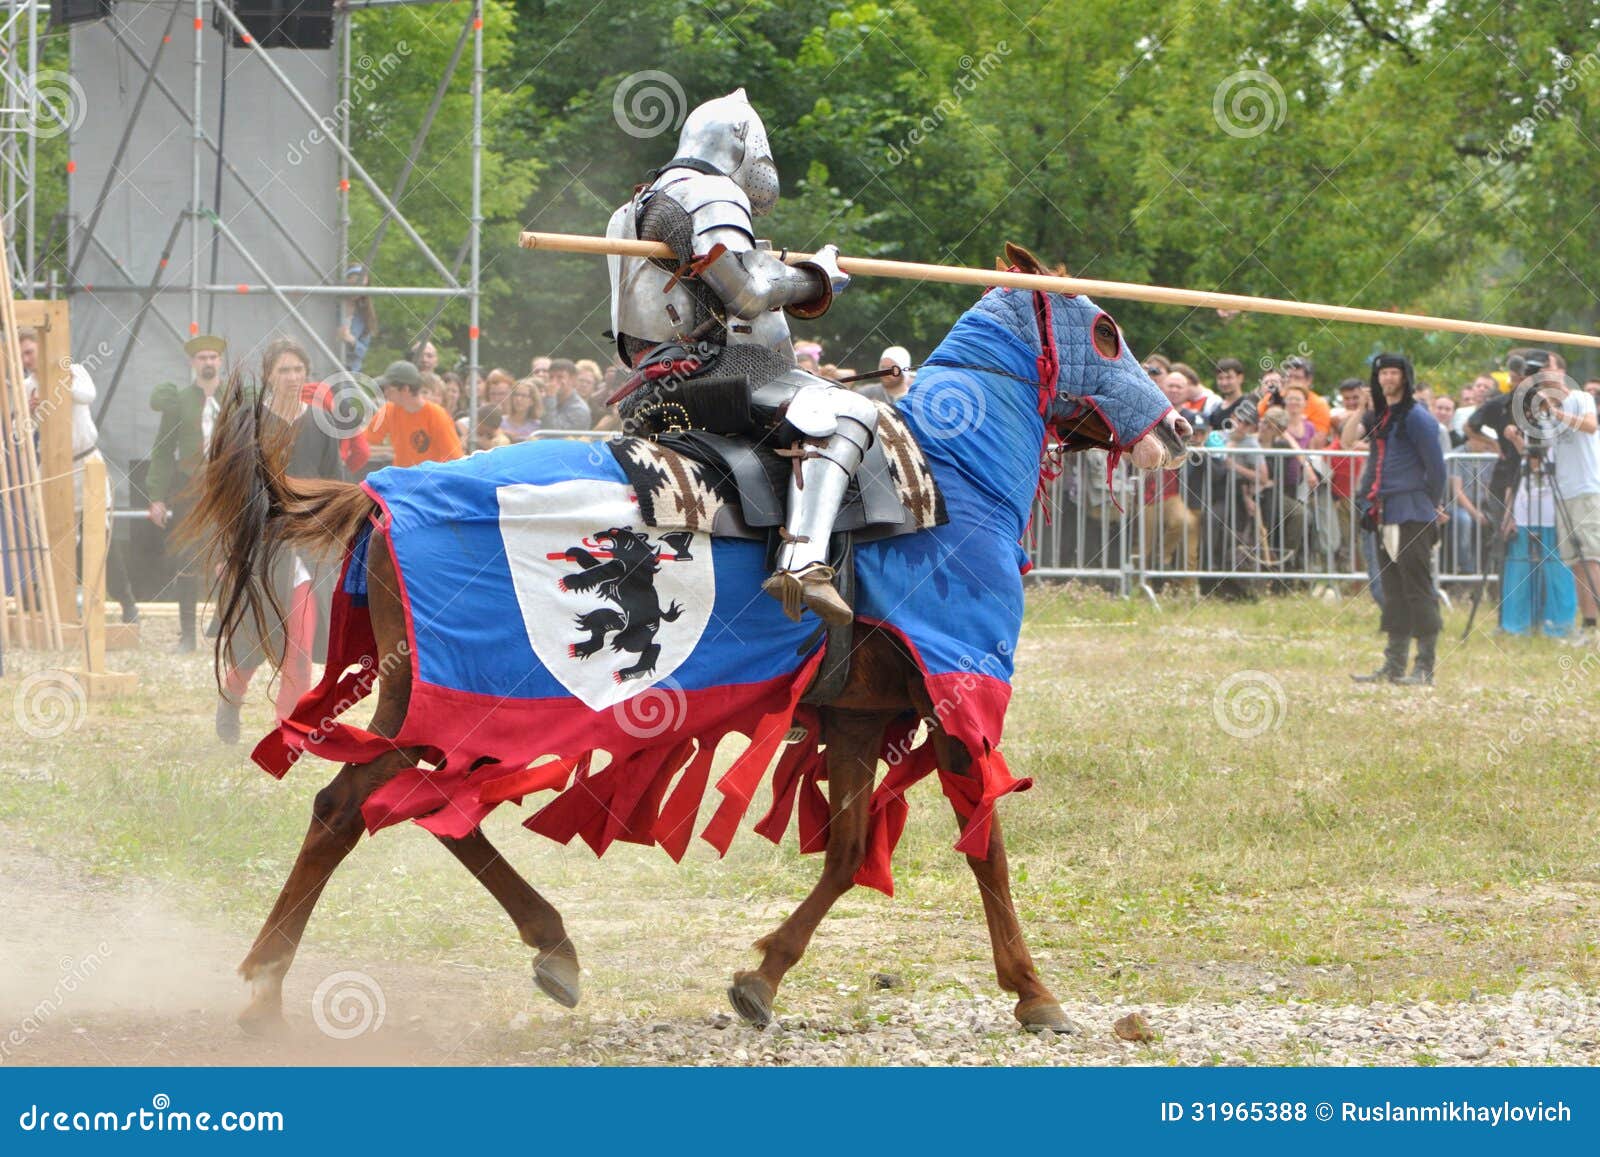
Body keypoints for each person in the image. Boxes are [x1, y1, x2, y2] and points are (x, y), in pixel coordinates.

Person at [606, 89, 864, 623]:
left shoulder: (633, 206)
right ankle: (803, 562)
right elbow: (745, 292)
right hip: (708, 377)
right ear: (745, 144)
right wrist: (820, 277)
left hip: (655, 383)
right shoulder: (707, 194)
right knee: (847, 411)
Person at [215, 339, 350, 743]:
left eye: (298, 369)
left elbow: (336, 483)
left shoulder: (323, 423)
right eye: (284, 370)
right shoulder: (251, 423)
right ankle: (231, 697)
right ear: (268, 375)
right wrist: (230, 548)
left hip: (308, 545)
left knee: (301, 643)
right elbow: (233, 492)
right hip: (263, 545)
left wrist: (339, 534)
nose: (292, 377)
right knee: (256, 638)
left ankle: (288, 732)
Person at [1352, 353, 1446, 685]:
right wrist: (1360, 406)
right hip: (1384, 510)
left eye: (1394, 373)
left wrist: (1431, 505)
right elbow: (1352, 435)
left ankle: (1425, 667)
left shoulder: (1417, 417)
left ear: (1404, 377)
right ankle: (1394, 665)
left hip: (1412, 511)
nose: (1388, 378)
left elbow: (1436, 467)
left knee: (1418, 590)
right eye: (1383, 373)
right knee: (1393, 591)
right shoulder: (1381, 416)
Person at [146, 334, 227, 652]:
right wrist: (157, 495)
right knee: (186, 557)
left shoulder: (234, 400)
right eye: (202, 358)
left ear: (220, 362)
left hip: (225, 489)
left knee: (229, 557)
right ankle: (188, 637)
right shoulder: (179, 401)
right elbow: (163, 451)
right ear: (193, 363)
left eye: (213, 357)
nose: (208, 362)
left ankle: (224, 626)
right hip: (189, 490)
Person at [1539, 358, 1600, 644]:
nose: (1542, 373)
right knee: (1576, 561)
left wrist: (1557, 413)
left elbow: (1590, 426)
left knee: (1592, 557)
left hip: (1587, 488)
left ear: (1562, 371)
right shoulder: (1545, 410)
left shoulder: (1580, 397)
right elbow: (1545, 452)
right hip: (1564, 491)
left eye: (1547, 367)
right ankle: (1588, 625)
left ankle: (1594, 625)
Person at [365, 360, 463, 466]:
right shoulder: (389, 410)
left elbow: (456, 459)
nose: (385, 393)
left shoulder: (437, 415)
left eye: (389, 388)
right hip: (401, 478)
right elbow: (365, 442)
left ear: (405, 389)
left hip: (432, 479)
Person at [337, 264, 378, 374]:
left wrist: (351, 340)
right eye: (355, 284)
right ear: (347, 281)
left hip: (351, 371)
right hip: (327, 364)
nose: (358, 290)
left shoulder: (365, 314)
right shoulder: (332, 307)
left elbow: (363, 351)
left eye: (363, 286)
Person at [543, 359, 594, 430]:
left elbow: (551, 431)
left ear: (573, 379)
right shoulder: (545, 400)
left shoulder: (579, 409)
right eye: (551, 377)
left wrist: (550, 398)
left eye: (560, 377)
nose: (553, 382)